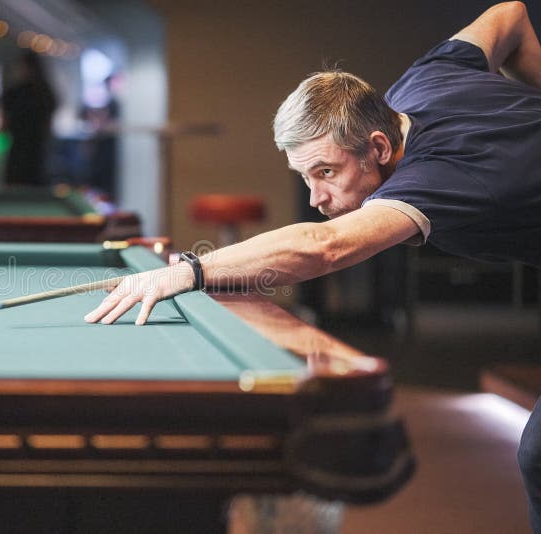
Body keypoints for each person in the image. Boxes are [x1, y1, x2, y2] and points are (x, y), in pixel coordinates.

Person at [83, 2, 541, 528]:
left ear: (378, 145)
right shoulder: (420, 86)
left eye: (326, 172)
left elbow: (324, 246)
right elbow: (510, 15)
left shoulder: (439, 174)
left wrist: (186, 270)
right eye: (305, 177)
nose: (317, 196)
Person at [2, 51, 57, 185]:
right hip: (38, 149)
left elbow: (4, 122)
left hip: (23, 148)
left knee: (17, 183)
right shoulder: (45, 91)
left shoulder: (15, 92)